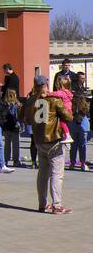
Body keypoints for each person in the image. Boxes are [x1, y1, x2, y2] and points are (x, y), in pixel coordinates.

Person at [26, 78, 73, 214]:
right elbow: (68, 117)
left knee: (42, 173)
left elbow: (27, 119)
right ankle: (57, 205)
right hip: (54, 140)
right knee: (56, 174)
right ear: (46, 85)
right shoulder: (54, 100)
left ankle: (42, 204)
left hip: (39, 140)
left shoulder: (31, 101)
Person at [70, 72, 89, 172]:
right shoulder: (74, 88)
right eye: (82, 78)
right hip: (77, 120)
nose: (83, 80)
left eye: (84, 78)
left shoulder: (83, 88)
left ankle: (81, 163)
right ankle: (74, 163)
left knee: (81, 144)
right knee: (75, 144)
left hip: (80, 120)